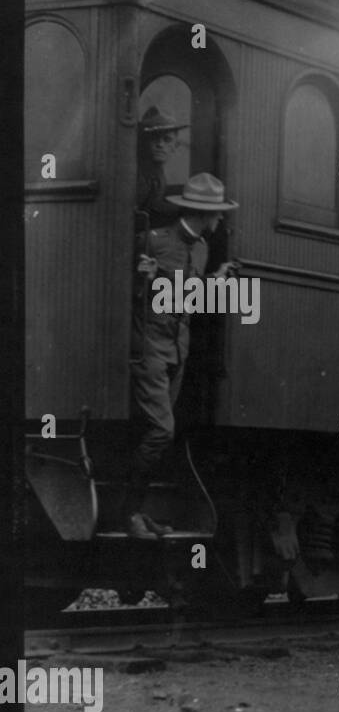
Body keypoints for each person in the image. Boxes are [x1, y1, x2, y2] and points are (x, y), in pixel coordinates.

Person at [126, 172, 239, 539]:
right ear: (203, 214)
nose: (220, 221)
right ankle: (128, 515)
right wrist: (138, 278)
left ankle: (141, 513)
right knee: (161, 430)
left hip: (177, 350)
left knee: (160, 433)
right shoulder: (152, 241)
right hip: (150, 348)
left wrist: (214, 282)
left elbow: (186, 296)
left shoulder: (202, 249)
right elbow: (119, 282)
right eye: (217, 214)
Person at [136, 106, 187, 228]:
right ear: (145, 142)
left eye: (167, 139)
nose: (160, 144)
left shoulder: (157, 171)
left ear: (175, 146)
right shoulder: (140, 173)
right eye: (154, 139)